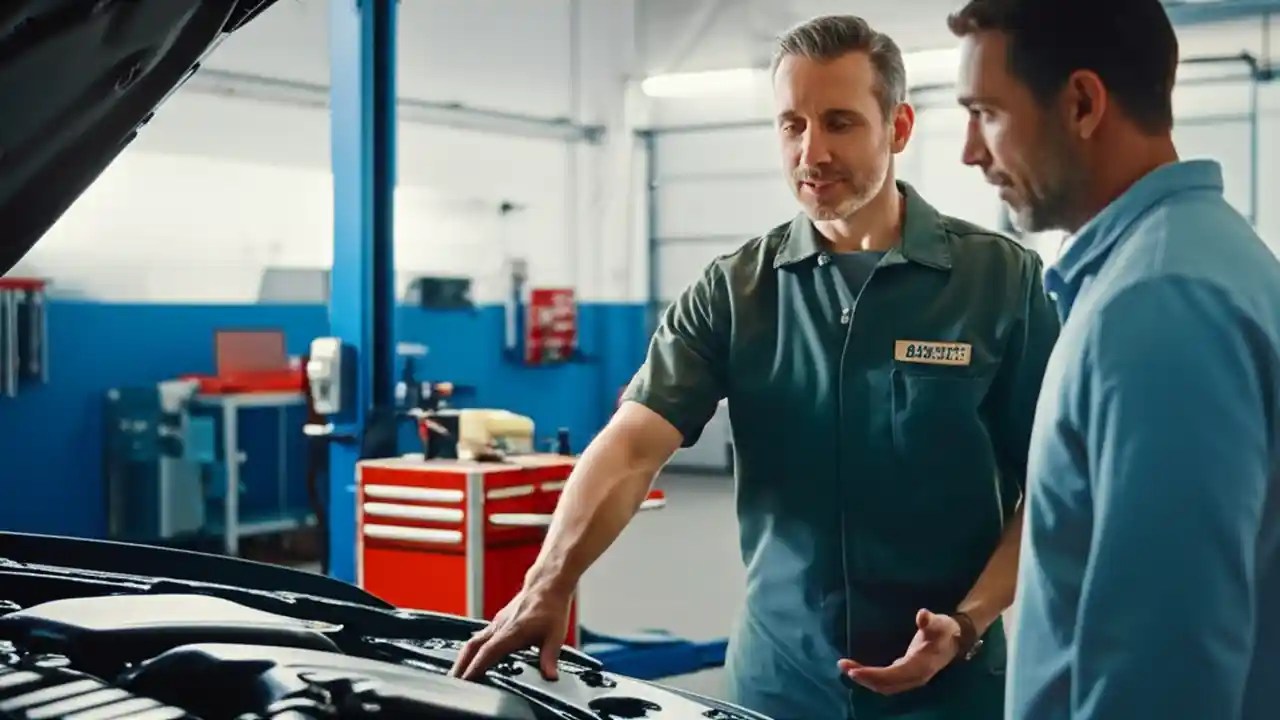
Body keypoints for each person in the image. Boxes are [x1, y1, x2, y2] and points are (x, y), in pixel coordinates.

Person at [451, 14, 1059, 719]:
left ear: (898, 129)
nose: (812, 152)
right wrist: (548, 582)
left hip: (951, 688)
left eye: (839, 123)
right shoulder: (735, 290)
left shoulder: (998, 283)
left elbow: (1051, 484)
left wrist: (969, 620)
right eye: (791, 125)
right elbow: (630, 448)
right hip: (778, 684)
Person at [948, 1, 1280, 719]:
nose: (970, 151)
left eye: (988, 114)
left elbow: (1168, 667)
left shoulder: (1161, 303)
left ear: (1081, 103)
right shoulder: (1179, 264)